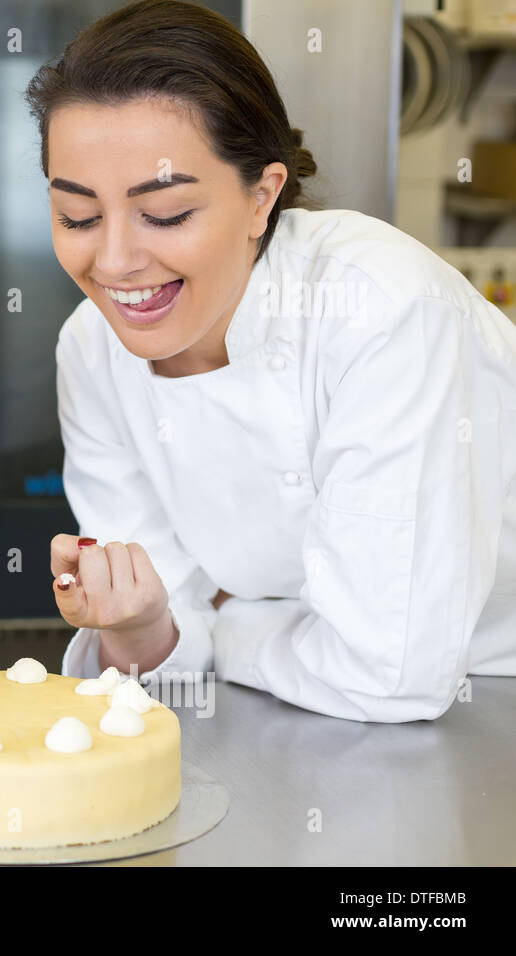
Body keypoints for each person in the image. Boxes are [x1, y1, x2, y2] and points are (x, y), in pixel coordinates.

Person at [33, 0, 515, 722]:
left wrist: (230, 619)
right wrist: (139, 625)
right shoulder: (92, 348)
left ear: (262, 197)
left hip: (489, 697)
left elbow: (390, 674)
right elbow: (165, 640)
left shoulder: (382, 311)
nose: (116, 261)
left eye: (164, 215)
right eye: (77, 216)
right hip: (291, 709)